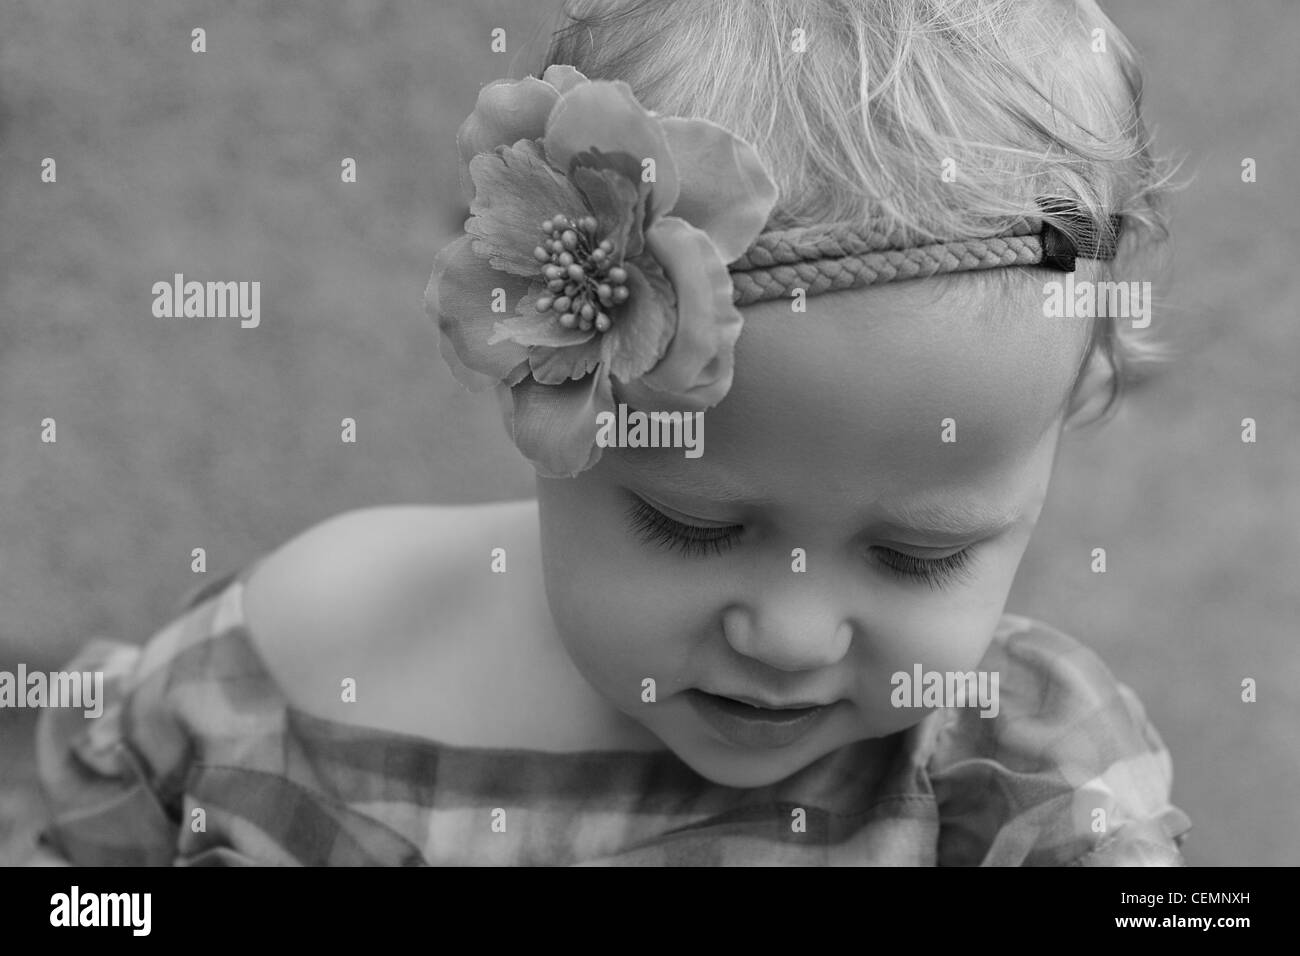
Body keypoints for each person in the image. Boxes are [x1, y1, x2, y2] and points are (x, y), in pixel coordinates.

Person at [34, 0, 1190, 865]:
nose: (788, 633)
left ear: (1068, 413)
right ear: (543, 380)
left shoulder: (1018, 774)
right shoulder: (295, 675)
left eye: (921, 555)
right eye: (692, 524)